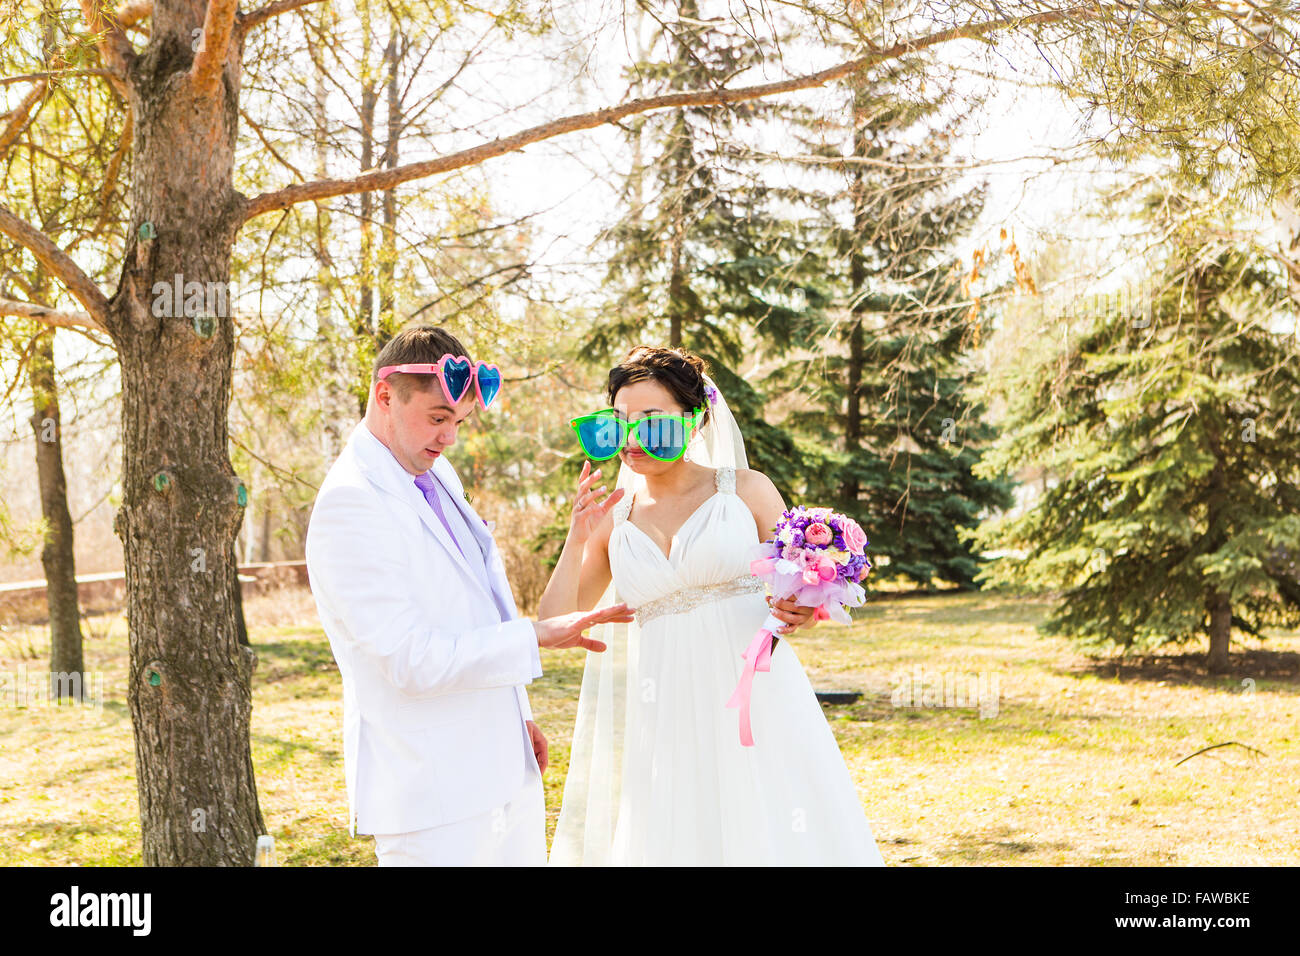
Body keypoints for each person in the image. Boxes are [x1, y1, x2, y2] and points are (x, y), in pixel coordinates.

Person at [543, 345, 886, 865]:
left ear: (696, 420)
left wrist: (801, 613)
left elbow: (800, 594)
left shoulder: (746, 491)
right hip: (663, 705)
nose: (633, 439)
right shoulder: (615, 517)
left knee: (768, 823)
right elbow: (555, 620)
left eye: (652, 423)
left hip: (755, 696)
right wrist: (576, 538)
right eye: (619, 423)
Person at [304, 325, 632, 866]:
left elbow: (477, 602)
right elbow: (408, 660)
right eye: (438, 417)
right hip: (432, 795)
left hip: (504, 769)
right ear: (385, 396)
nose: (450, 437)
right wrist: (534, 636)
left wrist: (517, 712)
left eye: (457, 421)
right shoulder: (350, 502)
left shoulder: (437, 472)